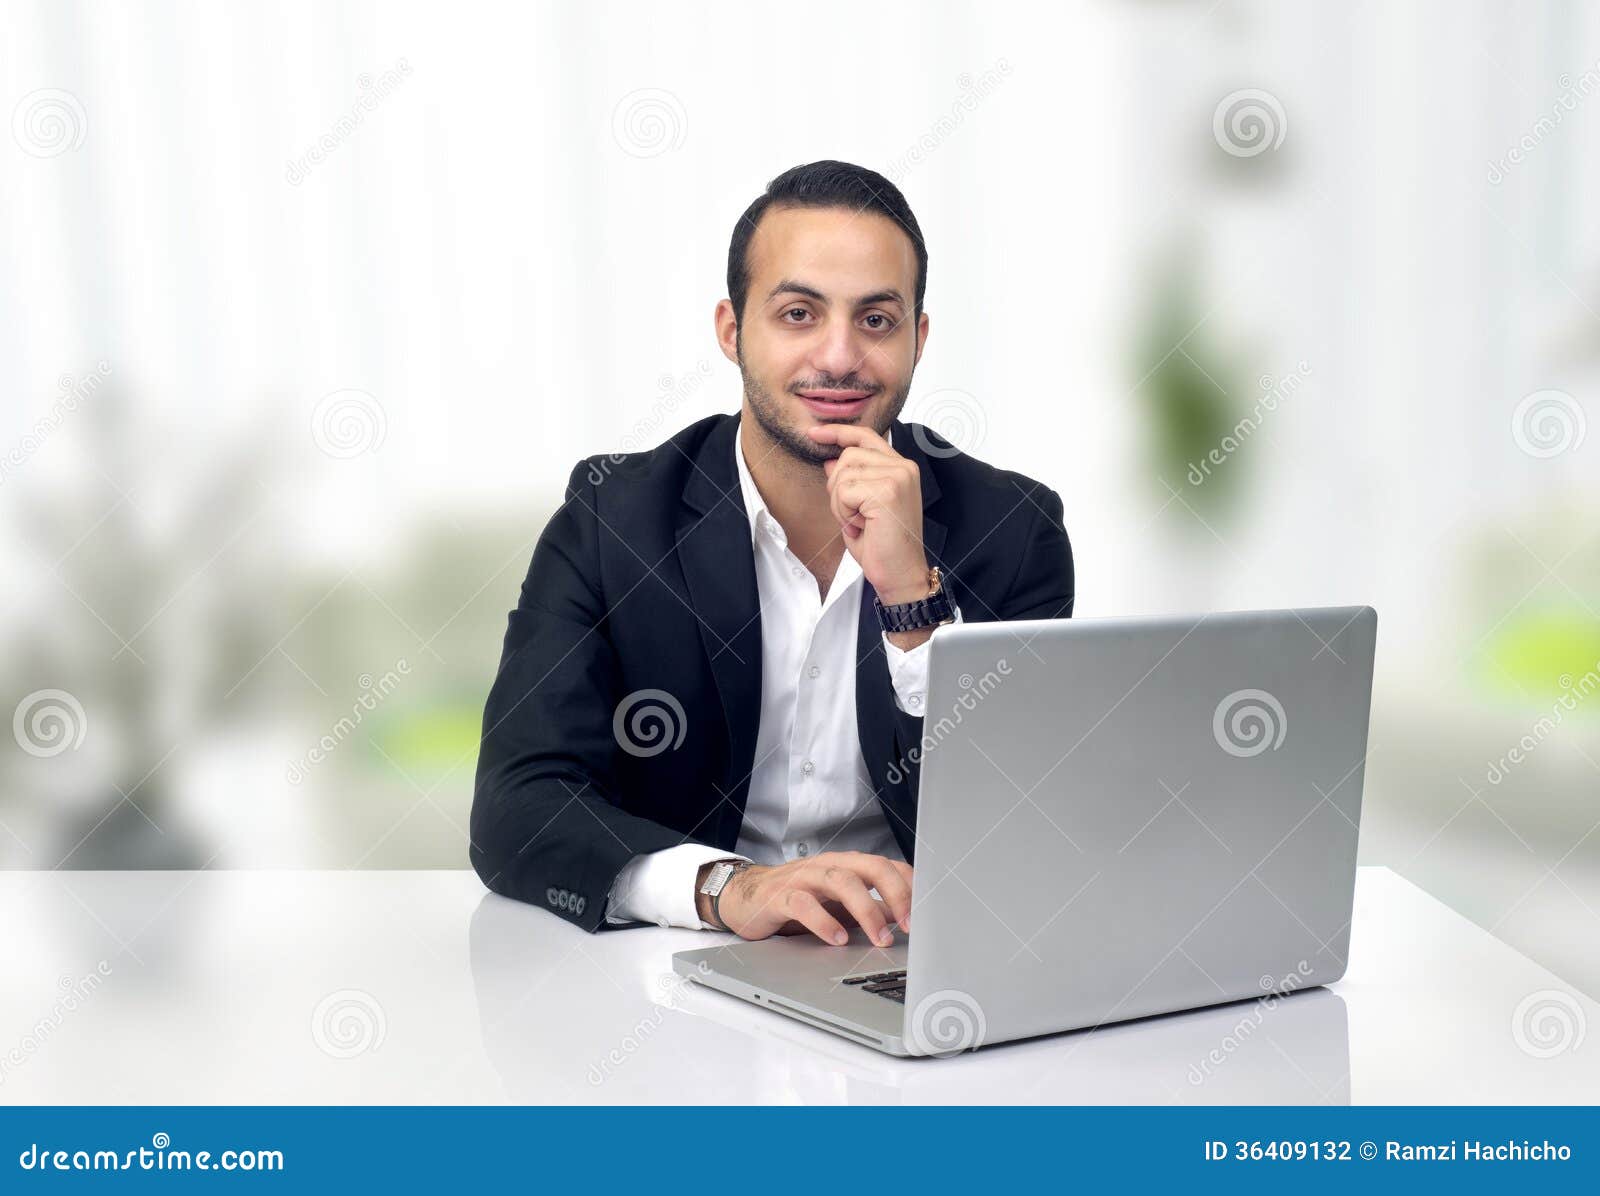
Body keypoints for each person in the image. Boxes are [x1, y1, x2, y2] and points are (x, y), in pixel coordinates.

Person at [470, 160, 1073, 945]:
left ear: (919, 339)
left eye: (877, 320)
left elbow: (1028, 827)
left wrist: (911, 605)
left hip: (911, 961)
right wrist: (730, 887)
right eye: (797, 314)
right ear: (732, 330)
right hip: (681, 967)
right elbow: (518, 805)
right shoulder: (611, 519)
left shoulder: (1014, 531)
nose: (838, 357)